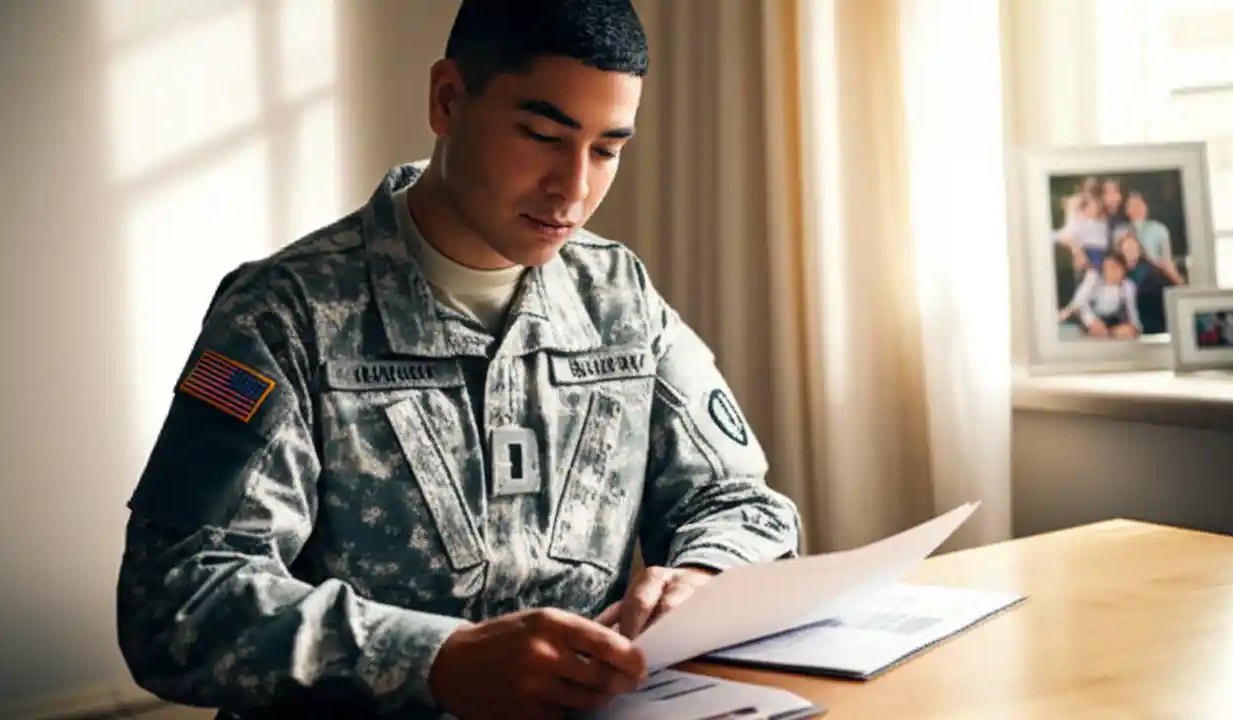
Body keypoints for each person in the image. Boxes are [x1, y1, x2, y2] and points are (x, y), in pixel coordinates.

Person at [115, 2, 801, 718]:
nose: (573, 190)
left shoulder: (616, 295)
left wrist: (703, 575)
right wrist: (433, 659)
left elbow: (738, 501)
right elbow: (177, 600)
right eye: (541, 136)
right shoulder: (283, 315)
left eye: (606, 150)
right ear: (448, 99)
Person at [1059, 250, 1142, 339]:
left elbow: (1132, 313)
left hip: (1110, 325)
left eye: (1114, 268)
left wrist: (1133, 329)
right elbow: (1079, 302)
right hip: (1083, 318)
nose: (1110, 272)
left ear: (1123, 270)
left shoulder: (1128, 287)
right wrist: (1091, 321)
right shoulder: (1093, 278)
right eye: (1107, 268)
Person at [1113, 191, 1184, 285]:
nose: (1136, 209)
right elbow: (1118, 260)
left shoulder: (1159, 229)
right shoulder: (1120, 231)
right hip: (1129, 276)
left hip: (1157, 273)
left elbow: (1167, 260)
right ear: (1126, 209)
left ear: (1146, 206)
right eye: (1131, 205)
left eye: (1139, 204)